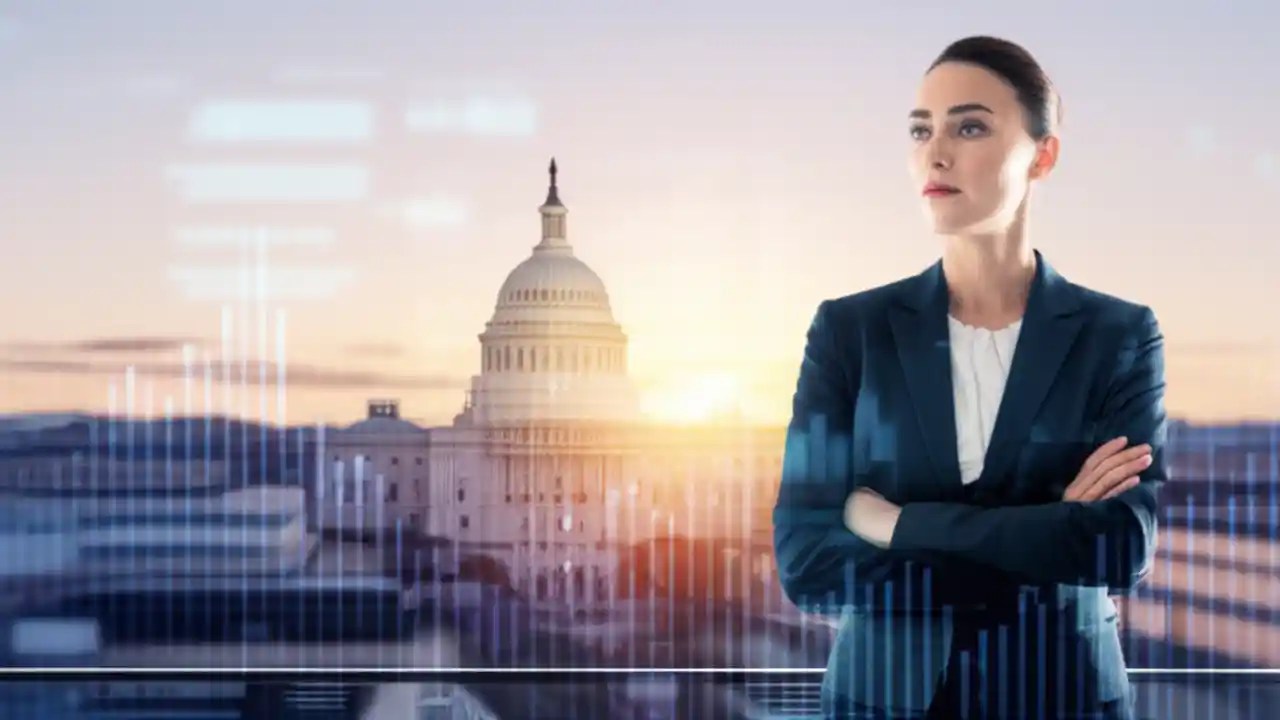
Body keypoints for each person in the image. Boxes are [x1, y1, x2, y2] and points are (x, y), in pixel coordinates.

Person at [771, 35, 1166, 719]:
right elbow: (807, 563)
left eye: (971, 126)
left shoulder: (1117, 336)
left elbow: (1118, 546)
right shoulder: (850, 332)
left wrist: (896, 524)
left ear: (1043, 156)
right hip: (882, 702)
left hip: (1062, 698)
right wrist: (1045, 534)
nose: (936, 152)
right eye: (921, 130)